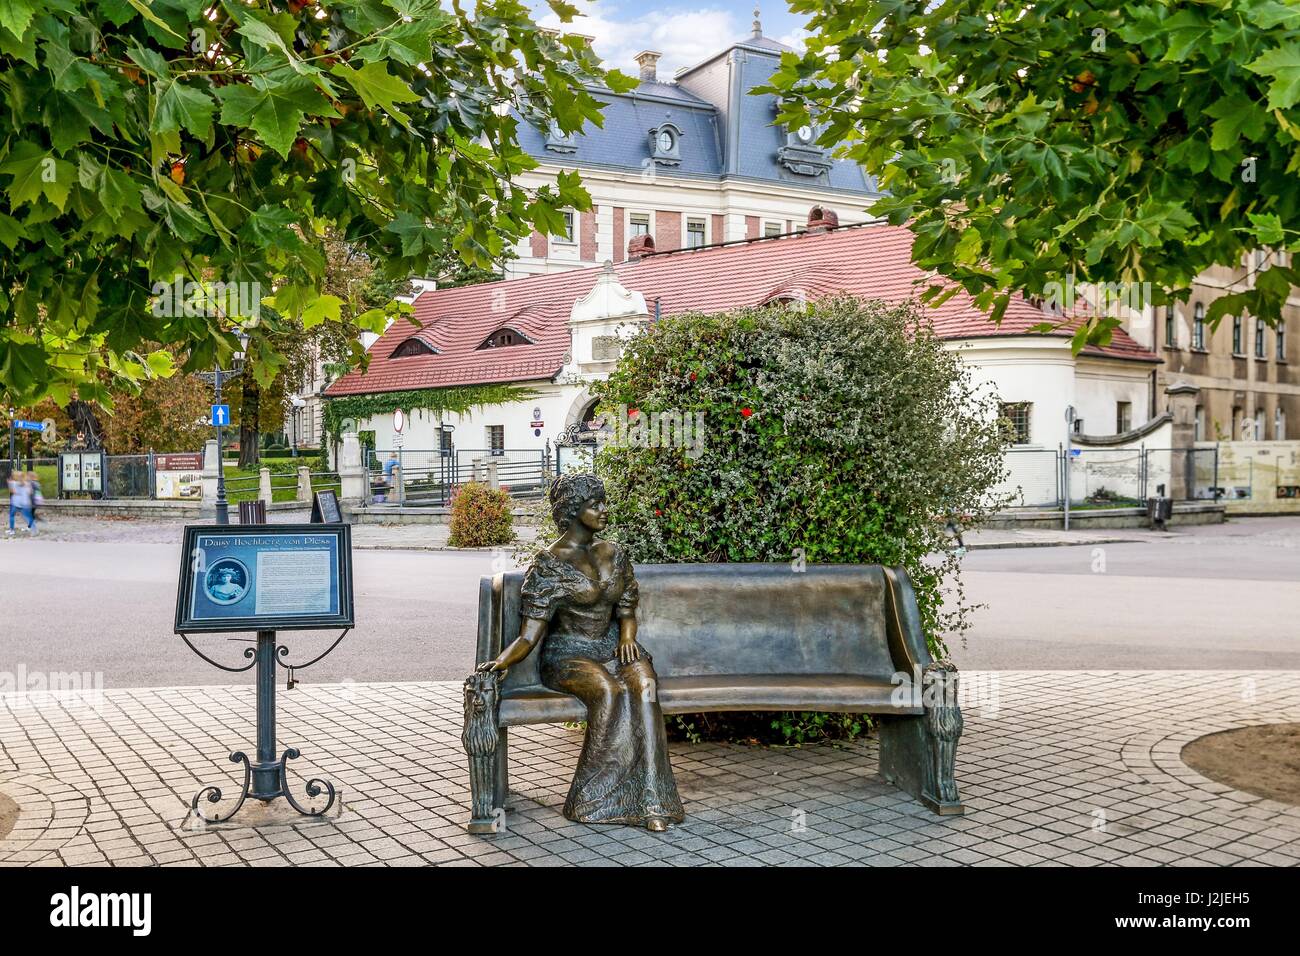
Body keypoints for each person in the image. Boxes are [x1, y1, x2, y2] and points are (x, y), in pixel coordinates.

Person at [478, 473, 684, 830]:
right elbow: (529, 636)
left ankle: (653, 801)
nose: (604, 510)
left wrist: (627, 637)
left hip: (613, 647)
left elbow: (627, 609)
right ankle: (595, 800)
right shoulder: (549, 564)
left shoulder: (613, 553)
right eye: (594, 505)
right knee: (608, 689)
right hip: (567, 655)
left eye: (603, 501)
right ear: (573, 511)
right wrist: (499, 662)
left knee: (644, 684)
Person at [6, 471, 35, 536]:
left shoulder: (14, 483)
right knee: (27, 517)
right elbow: (30, 492)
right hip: (24, 502)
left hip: (17, 502)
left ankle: (12, 530)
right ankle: (33, 530)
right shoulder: (27, 483)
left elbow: (12, 491)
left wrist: (9, 483)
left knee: (12, 515)